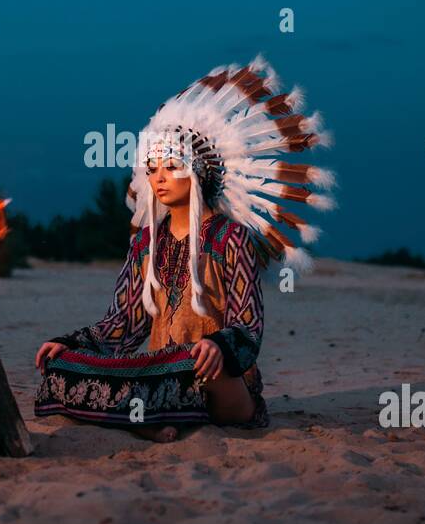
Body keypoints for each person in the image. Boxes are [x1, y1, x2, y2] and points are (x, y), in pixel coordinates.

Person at [33, 55, 336, 442]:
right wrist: (71, 344)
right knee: (65, 369)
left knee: (196, 367)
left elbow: (249, 326)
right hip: (162, 372)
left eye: (171, 167)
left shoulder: (231, 238)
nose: (158, 178)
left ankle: (153, 420)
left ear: (198, 171)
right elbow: (124, 324)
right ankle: (157, 419)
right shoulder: (146, 242)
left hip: (220, 379)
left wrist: (218, 345)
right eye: (152, 168)